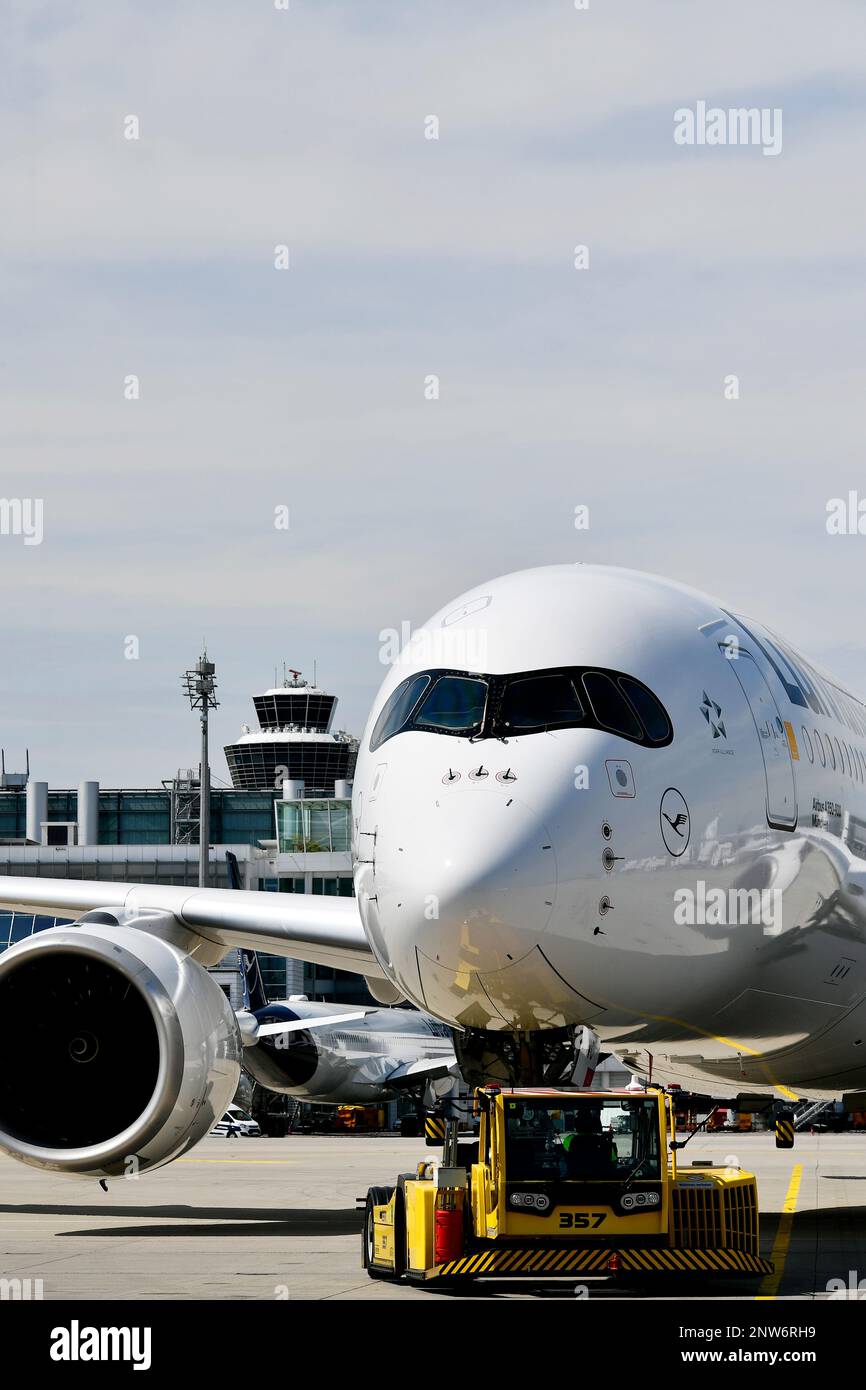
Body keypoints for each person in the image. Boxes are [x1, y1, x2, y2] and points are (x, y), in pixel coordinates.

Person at [560, 1106, 618, 1178]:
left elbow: (567, 1158)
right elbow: (613, 1163)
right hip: (600, 1180)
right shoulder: (603, 1141)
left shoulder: (569, 1140)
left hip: (575, 1179)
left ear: (576, 1125)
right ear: (593, 1125)